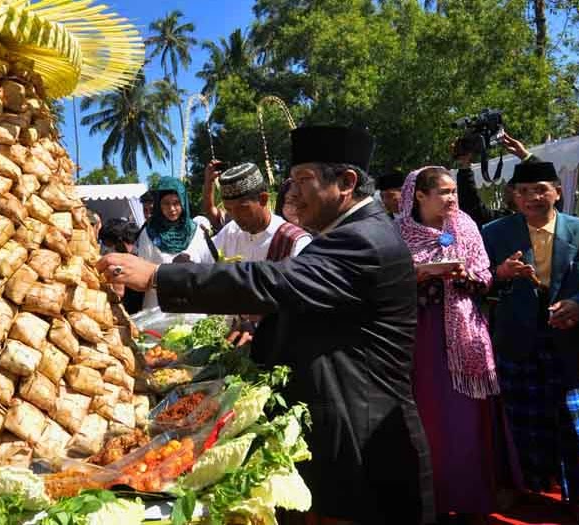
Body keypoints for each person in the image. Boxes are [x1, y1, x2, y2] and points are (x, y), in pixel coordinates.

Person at [101, 126, 434, 524]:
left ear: (346, 183)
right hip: (340, 429)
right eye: (291, 181)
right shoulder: (346, 234)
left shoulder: (364, 239)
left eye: (304, 181)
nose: (291, 194)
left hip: (362, 437)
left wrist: (158, 277)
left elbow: (273, 282)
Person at [482, 160, 579, 525]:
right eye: (523, 191)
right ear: (513, 196)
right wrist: (500, 274)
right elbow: (476, 286)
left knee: (575, 425)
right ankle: (517, 484)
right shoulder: (492, 234)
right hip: (516, 342)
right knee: (519, 422)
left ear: (557, 190)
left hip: (572, 344)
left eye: (541, 189)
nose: (532, 198)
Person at [399, 166, 498, 525]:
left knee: (464, 420)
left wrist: (464, 275)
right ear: (419, 196)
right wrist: (419, 274)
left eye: (454, 191)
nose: (452, 198)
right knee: (427, 419)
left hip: (463, 336)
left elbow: (485, 278)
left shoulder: (467, 227)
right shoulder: (399, 233)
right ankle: (432, 502)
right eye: (443, 192)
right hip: (419, 335)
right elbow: (385, 282)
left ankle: (470, 498)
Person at [197, 162, 311, 264]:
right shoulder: (231, 231)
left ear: (263, 199)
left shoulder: (294, 242)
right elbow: (200, 255)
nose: (236, 217)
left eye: (242, 209)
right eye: (229, 210)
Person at [135, 177, 210, 310]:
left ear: (183, 202)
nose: (172, 208)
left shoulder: (197, 232)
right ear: (158, 204)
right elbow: (142, 272)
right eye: (166, 203)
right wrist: (169, 271)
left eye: (176, 202)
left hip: (192, 308)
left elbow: (206, 269)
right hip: (157, 307)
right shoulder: (148, 233)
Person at [455, 132, 537, 227]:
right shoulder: (500, 221)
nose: (506, 189)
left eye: (523, 190)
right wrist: (525, 155)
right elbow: (471, 204)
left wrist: (525, 156)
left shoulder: (541, 219)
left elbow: (549, 181)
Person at [99, 218, 145, 315]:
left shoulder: (124, 260)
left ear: (119, 241)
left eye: (108, 244)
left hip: (135, 312)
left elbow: (119, 293)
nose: (107, 250)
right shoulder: (139, 251)